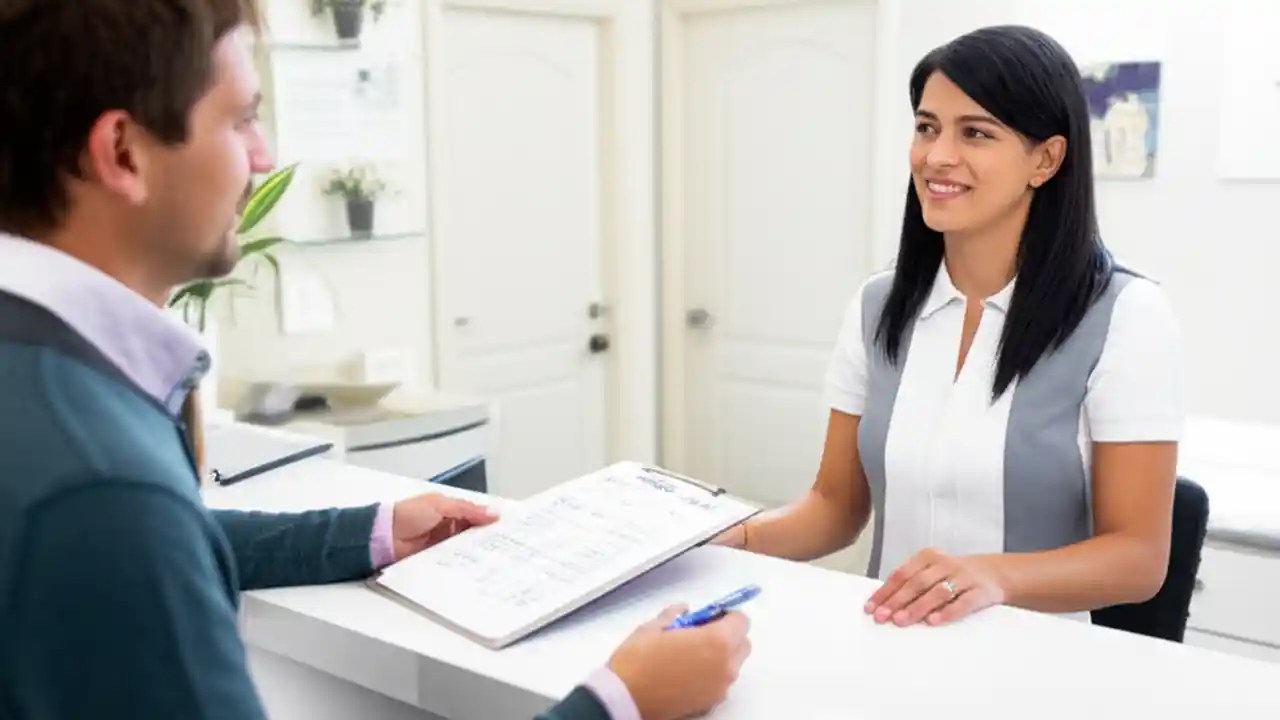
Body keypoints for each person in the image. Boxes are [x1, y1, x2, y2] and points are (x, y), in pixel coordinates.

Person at [0, 2, 749, 719]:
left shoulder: (44, 389)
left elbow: (165, 547)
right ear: (123, 151)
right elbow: (129, 536)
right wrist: (620, 701)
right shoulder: (99, 486)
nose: (264, 158)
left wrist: (377, 531)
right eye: (242, 119)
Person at [715, 25, 1183, 628]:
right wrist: (723, 539)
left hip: (1034, 666)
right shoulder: (877, 306)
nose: (937, 155)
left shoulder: (1127, 316)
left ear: (1046, 159)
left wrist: (993, 575)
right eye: (927, 126)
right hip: (888, 647)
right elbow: (835, 507)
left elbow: (1139, 559)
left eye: (976, 133)